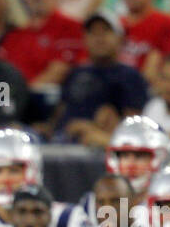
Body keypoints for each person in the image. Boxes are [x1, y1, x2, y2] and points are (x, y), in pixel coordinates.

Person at [53, 11, 149, 147]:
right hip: (63, 141)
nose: (99, 38)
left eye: (105, 31)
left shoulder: (130, 76)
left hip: (100, 147)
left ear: (120, 38)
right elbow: (60, 112)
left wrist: (91, 128)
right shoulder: (76, 72)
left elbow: (134, 126)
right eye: (93, 33)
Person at [0, 0, 85, 91]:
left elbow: (59, 71)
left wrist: (22, 97)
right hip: (14, 103)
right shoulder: (14, 35)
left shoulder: (71, 27)